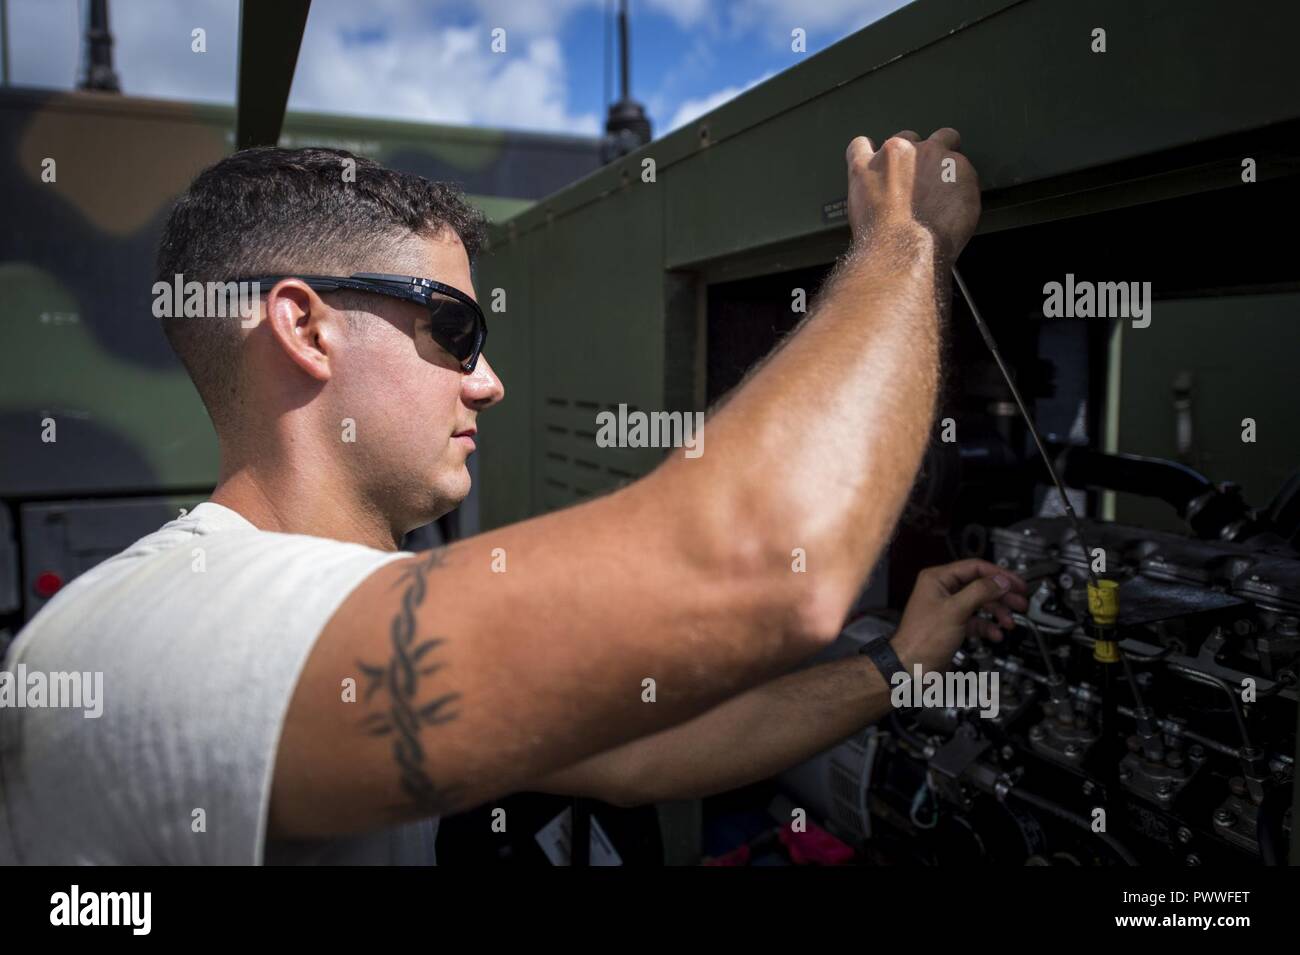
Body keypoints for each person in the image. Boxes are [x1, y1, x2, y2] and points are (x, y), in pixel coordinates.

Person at [0, 131, 1027, 864]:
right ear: (305, 331)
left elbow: (641, 748)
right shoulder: (158, 625)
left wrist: (895, 664)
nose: (487, 381)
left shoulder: (339, 598)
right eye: (455, 331)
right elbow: (760, 560)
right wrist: (903, 246)